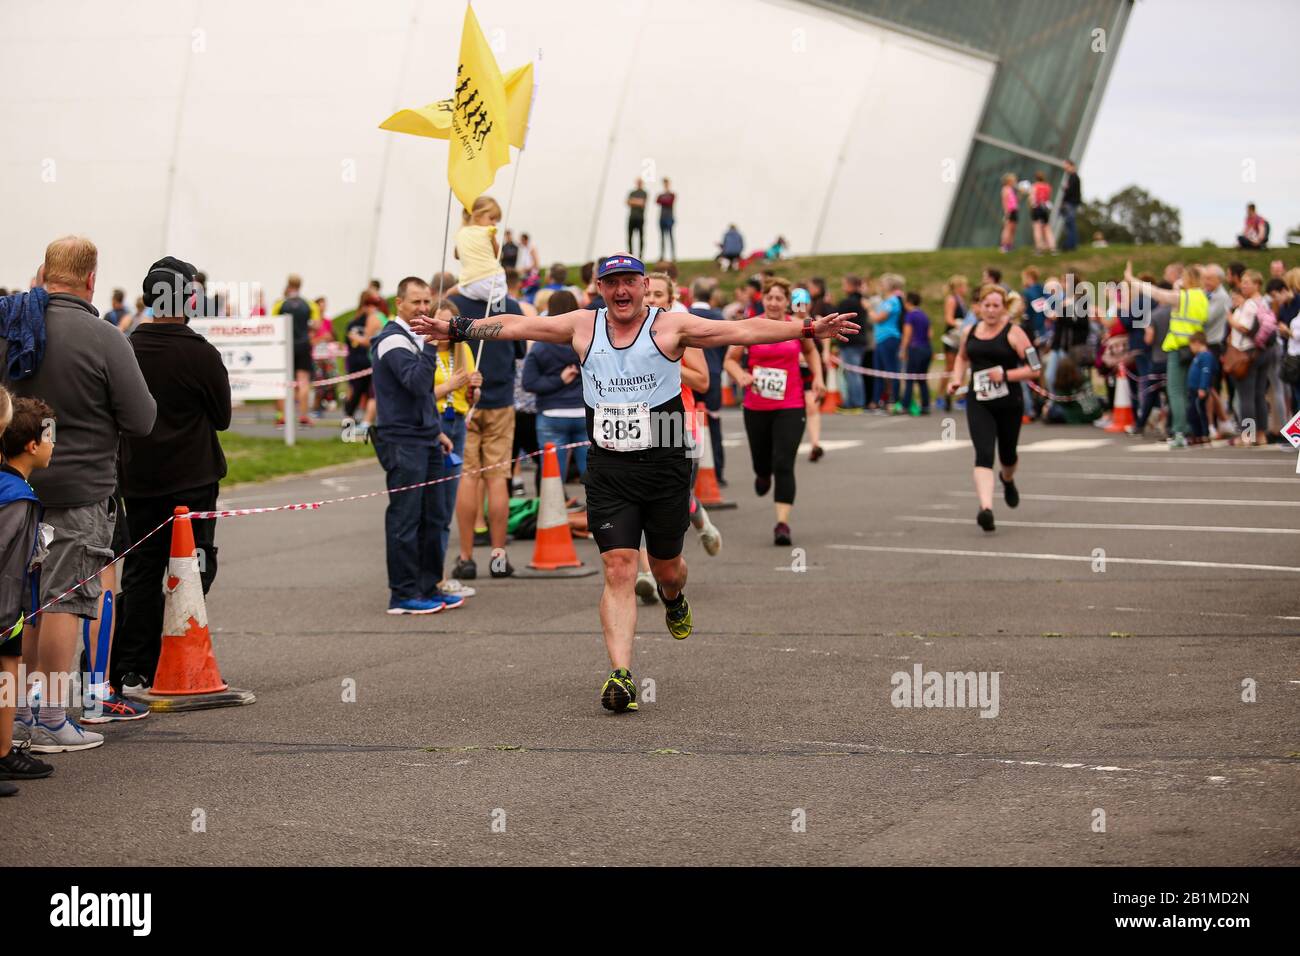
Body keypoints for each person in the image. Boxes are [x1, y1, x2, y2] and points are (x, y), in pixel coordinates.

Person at [411, 255, 856, 713]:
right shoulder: (583, 325)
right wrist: (458, 328)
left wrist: (807, 330)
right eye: (611, 283)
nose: (621, 291)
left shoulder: (671, 327)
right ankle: (621, 675)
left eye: (629, 282)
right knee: (620, 568)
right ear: (599, 288)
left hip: (664, 466)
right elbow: (517, 327)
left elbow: (742, 331)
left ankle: (674, 597)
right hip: (608, 468)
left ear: (644, 286)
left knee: (668, 568)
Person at [1, 237, 157, 752]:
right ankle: (50, 717)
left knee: (24, 603)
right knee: (66, 598)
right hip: (81, 488)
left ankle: (18, 715)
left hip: (16, 488)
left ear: (43, 271)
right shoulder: (104, 337)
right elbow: (141, 418)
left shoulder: (12, 326)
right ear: (92, 279)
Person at [113, 256, 231, 696]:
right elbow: (221, 418)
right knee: (196, 565)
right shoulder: (201, 354)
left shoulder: (125, 348)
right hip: (194, 478)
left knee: (141, 571)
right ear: (189, 299)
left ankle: (131, 666)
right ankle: (179, 649)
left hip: (140, 477)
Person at [369, 277, 463, 614]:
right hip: (402, 442)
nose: (423, 309)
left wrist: (435, 430)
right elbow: (418, 383)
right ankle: (403, 594)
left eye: (427, 303)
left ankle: (427, 587)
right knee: (406, 519)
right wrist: (430, 343)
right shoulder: (391, 341)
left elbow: (420, 396)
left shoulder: (411, 337)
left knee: (433, 518)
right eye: (416, 303)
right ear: (399, 304)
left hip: (425, 438)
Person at [723, 277, 827, 545]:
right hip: (756, 404)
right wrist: (741, 376)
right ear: (763, 300)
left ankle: (782, 524)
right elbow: (730, 361)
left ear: (787, 302)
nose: (773, 302)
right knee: (762, 461)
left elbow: (812, 351)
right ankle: (761, 473)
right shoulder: (751, 326)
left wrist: (818, 377)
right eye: (769, 297)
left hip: (790, 404)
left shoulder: (796, 326)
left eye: (779, 298)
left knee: (784, 462)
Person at [448, 288, 527, 581]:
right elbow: (520, 350)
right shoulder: (508, 303)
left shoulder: (454, 303)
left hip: (464, 400)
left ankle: (466, 557)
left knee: (468, 476)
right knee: (497, 476)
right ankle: (498, 555)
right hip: (500, 401)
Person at [0, 392, 57, 793]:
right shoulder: (15, 498)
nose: (56, 444)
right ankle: (2, 754)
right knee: (6, 673)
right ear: (32, 445)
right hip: (4, 610)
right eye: (51, 436)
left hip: (8, 607)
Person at [949, 282, 1040, 532]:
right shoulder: (970, 331)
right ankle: (986, 509)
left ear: (1003, 308)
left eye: (995, 306)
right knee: (984, 454)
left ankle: (1007, 479)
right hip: (979, 402)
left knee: (1007, 456)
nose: (990, 310)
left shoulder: (1015, 333)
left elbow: (1035, 368)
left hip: (1009, 402)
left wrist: (1007, 375)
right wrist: (956, 379)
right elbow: (962, 358)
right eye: (986, 305)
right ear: (978, 307)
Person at [1124, 261, 1207, 447]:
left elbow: (1156, 292)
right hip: (1193, 348)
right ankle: (1192, 429)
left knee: (1175, 392)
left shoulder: (1182, 298)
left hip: (1178, 347)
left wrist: (1131, 280)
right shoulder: (1201, 296)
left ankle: (1179, 431)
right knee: (1187, 391)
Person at [430, 298, 480, 598]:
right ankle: (433, 577)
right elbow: (417, 393)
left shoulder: (462, 349)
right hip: (433, 422)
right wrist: (449, 387)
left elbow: (470, 395)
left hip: (457, 423)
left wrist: (475, 388)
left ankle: (439, 575)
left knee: (447, 503)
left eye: (450, 324)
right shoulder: (424, 351)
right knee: (433, 503)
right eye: (439, 322)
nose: (444, 329)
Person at [523, 290, 587, 483]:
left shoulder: (541, 346)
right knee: (593, 473)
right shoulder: (586, 343)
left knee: (553, 475)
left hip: (552, 414)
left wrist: (558, 379)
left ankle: (554, 510)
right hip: (584, 413)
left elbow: (529, 382)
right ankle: (599, 512)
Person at [688, 277, 728, 481]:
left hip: (689, 375)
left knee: (687, 422)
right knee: (713, 422)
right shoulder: (719, 317)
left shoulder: (686, 316)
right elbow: (725, 346)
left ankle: (690, 474)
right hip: (712, 374)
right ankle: (717, 471)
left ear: (692, 294)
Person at [1229, 270, 1274, 446]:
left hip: (1247, 353)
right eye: (1243, 282)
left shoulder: (1249, 304)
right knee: (1259, 395)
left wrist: (1231, 320)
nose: (1243, 285)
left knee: (1246, 396)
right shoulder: (1264, 302)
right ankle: (1261, 434)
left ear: (1257, 284)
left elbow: (1245, 328)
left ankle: (1247, 434)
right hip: (1263, 351)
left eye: (1248, 282)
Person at [271, 274, 319, 427]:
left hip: (286, 345)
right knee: (303, 381)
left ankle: (282, 416)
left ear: (288, 284)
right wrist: (307, 327)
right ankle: (303, 416)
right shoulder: (310, 304)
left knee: (283, 381)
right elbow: (317, 325)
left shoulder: (280, 304)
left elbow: (273, 325)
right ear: (300, 285)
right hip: (303, 344)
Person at [453, 196, 506, 305]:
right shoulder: (488, 231)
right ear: (477, 215)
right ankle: (500, 309)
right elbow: (499, 255)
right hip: (494, 279)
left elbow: (457, 255)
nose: (494, 223)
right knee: (500, 304)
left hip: (471, 281)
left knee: (451, 292)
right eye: (492, 219)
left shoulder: (460, 232)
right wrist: (493, 239)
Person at [342, 291, 381, 432]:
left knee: (361, 392)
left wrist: (355, 338)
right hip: (361, 361)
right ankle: (351, 423)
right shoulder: (372, 319)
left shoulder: (366, 320)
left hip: (364, 361)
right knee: (358, 392)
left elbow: (362, 340)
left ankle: (356, 422)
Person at [869, 274, 905, 411]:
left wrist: (869, 309)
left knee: (891, 370)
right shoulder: (886, 300)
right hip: (880, 339)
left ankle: (894, 400)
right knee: (878, 371)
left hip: (889, 338)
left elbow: (879, 318)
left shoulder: (893, 301)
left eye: (883, 284)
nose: (881, 286)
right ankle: (877, 400)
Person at [835, 275, 869, 412]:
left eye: (845, 284)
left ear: (851, 285)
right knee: (853, 372)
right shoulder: (862, 301)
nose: (843, 287)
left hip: (851, 342)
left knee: (852, 373)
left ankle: (855, 402)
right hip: (860, 341)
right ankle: (854, 401)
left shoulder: (848, 303)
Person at [899, 292, 933, 415]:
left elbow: (907, 335)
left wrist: (903, 349)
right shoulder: (924, 315)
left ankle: (905, 405)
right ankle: (926, 405)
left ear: (908, 302)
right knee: (922, 379)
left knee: (910, 378)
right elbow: (930, 334)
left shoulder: (910, 316)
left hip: (915, 349)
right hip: (927, 349)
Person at [940, 275, 970, 407]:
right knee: (950, 367)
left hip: (960, 338)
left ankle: (960, 396)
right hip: (951, 338)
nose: (966, 289)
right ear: (958, 287)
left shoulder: (962, 300)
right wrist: (960, 324)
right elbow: (948, 319)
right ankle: (941, 395)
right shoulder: (951, 300)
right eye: (964, 286)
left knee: (962, 366)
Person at [1185, 332, 1216, 444]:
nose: (1191, 349)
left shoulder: (1205, 356)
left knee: (1197, 412)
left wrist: (1203, 387)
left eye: (1191, 345)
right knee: (1193, 412)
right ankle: (1197, 434)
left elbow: (1206, 372)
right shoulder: (1199, 356)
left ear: (1197, 343)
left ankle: (1203, 434)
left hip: (1199, 390)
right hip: (1193, 390)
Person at [1030, 171, 1055, 254]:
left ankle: (1039, 248)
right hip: (1044, 208)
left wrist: (1031, 207)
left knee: (1037, 228)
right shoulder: (1047, 186)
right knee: (1047, 228)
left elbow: (1032, 199)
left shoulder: (1034, 186)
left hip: (1036, 208)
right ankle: (1052, 247)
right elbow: (1047, 199)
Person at [1059, 160, 1081, 252]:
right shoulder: (1072, 177)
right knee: (1069, 225)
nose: (1065, 168)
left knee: (1070, 224)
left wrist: (1065, 189)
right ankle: (1071, 245)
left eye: (1066, 166)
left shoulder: (1074, 177)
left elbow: (1070, 191)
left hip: (1071, 203)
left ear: (1071, 166)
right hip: (1071, 203)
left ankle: (1070, 245)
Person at [626, 178, 648, 258]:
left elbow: (643, 203)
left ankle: (640, 256)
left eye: (640, 182)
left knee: (641, 237)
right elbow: (628, 202)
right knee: (630, 237)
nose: (639, 184)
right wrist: (638, 201)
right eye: (638, 182)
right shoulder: (632, 192)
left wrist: (633, 201)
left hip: (640, 218)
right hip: (632, 218)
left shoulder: (644, 193)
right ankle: (630, 254)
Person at [656, 178, 676, 261]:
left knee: (671, 237)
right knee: (662, 238)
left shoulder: (672, 194)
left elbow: (669, 202)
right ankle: (662, 256)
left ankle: (673, 256)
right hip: (662, 218)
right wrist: (664, 200)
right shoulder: (661, 195)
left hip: (669, 218)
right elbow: (657, 201)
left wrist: (663, 200)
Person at [999, 173, 1019, 253]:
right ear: (1008, 181)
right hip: (1009, 211)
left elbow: (1014, 201)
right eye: (1013, 180)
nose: (1015, 182)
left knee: (1013, 229)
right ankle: (1004, 246)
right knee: (1007, 229)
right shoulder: (1005, 189)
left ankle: (1010, 245)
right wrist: (1007, 212)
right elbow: (1005, 201)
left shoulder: (1011, 189)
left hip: (1014, 210)